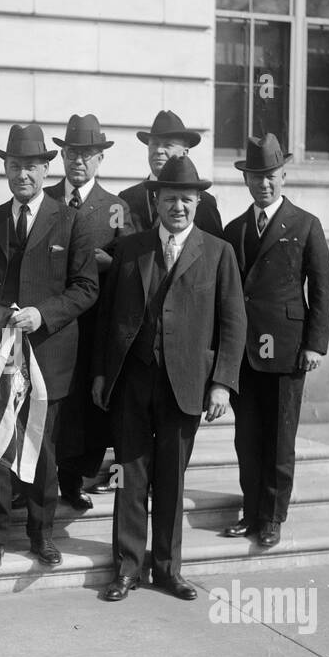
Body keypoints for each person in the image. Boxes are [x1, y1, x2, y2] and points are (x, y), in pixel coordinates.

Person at [92, 156, 246, 602]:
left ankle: (168, 569)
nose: (178, 206)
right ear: (156, 200)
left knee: (172, 480)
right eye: (171, 198)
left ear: (198, 202)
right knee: (129, 477)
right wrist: (103, 374)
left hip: (186, 383)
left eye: (187, 198)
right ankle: (127, 568)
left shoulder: (218, 253)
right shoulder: (131, 249)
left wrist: (221, 383)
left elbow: (233, 322)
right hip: (132, 380)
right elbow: (108, 318)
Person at [0, 123, 99, 570]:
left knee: (42, 448)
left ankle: (43, 535)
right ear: (5, 167)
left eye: (32, 167)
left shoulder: (71, 220)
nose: (23, 175)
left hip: (49, 353)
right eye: (15, 165)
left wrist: (44, 314)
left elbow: (85, 288)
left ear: (45, 170)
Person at [220, 134, 329, 550]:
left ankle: (273, 517)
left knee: (280, 438)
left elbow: (322, 289)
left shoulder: (305, 225)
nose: (264, 184)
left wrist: (314, 345)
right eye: (256, 177)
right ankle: (250, 512)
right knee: (247, 438)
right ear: (247, 180)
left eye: (270, 176)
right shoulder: (235, 230)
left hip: (286, 349)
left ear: (282, 175)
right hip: (245, 351)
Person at [43, 113, 131, 511]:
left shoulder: (115, 208)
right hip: (48, 319)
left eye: (88, 154)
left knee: (84, 404)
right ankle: (36, 478)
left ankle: (73, 480)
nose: (79, 161)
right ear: (62, 156)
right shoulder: (43, 198)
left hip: (92, 321)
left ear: (100, 159)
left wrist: (95, 262)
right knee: (48, 402)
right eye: (72, 153)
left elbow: (126, 261)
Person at [116, 109, 224, 239]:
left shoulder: (204, 202)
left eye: (167, 145)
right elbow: (117, 248)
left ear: (184, 153)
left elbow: (215, 252)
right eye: (154, 144)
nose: (159, 150)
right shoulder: (126, 199)